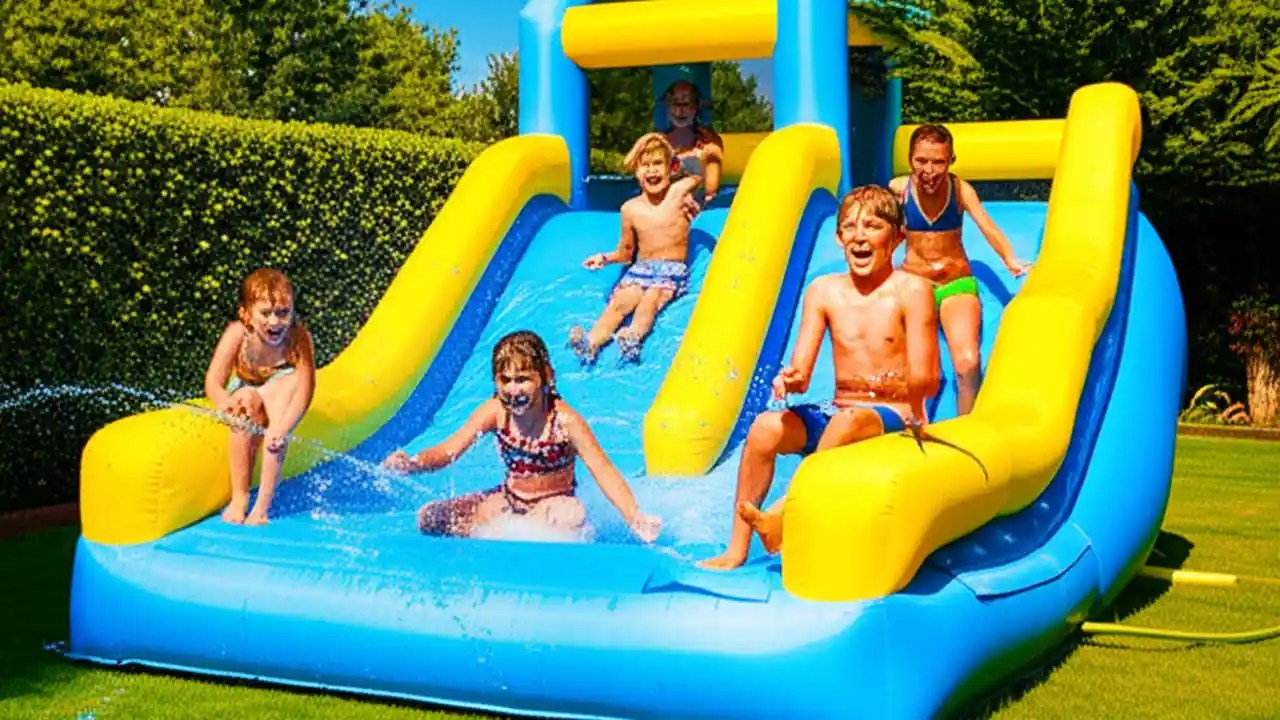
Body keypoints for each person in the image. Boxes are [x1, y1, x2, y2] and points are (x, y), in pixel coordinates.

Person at [698, 186, 940, 571]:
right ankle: (736, 550)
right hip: (841, 410)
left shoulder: (912, 290)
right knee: (764, 428)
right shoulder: (824, 291)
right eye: (850, 227)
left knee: (848, 420)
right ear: (839, 238)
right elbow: (802, 373)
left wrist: (916, 380)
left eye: (872, 226)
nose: (859, 236)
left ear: (896, 239)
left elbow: (929, 376)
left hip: (897, 414)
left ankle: (785, 514)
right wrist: (790, 379)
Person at [383, 330, 662, 542]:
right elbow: (449, 450)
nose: (513, 390)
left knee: (568, 518)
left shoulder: (564, 421)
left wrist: (634, 516)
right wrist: (414, 463)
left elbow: (603, 470)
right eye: (505, 380)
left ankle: (528, 538)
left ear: (546, 376)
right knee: (430, 518)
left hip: (553, 505)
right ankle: (510, 534)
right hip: (509, 501)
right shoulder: (495, 412)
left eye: (523, 380)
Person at [888, 123, 1032, 415]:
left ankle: (966, 429)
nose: (929, 170)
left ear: (951, 160)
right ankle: (912, 427)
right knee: (918, 368)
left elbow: (986, 225)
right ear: (910, 159)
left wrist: (1010, 259)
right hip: (915, 285)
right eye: (921, 161)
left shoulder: (960, 190)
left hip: (955, 283)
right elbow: (882, 230)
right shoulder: (899, 189)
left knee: (968, 363)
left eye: (938, 162)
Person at [569, 132, 702, 364]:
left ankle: (633, 337)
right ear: (635, 170)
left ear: (671, 168)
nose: (651, 171)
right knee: (620, 302)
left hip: (670, 270)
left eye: (658, 163)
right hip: (641, 269)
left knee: (651, 300)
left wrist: (678, 156)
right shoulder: (630, 209)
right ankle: (591, 343)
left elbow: (700, 172)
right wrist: (604, 258)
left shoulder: (678, 193)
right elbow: (626, 252)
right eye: (645, 165)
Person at [204, 268, 316, 525]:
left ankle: (262, 507)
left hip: (281, 386)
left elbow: (305, 390)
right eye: (265, 313)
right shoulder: (237, 334)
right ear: (246, 315)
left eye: (283, 312)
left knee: (276, 433)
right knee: (245, 403)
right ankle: (240, 498)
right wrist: (224, 402)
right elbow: (213, 381)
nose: (275, 322)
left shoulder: (298, 338)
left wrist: (285, 427)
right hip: (247, 386)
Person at [661, 79, 724, 209]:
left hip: (698, 206)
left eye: (686, 104)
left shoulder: (709, 143)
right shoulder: (659, 142)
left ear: (696, 107)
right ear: (667, 106)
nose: (679, 111)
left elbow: (711, 188)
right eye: (675, 103)